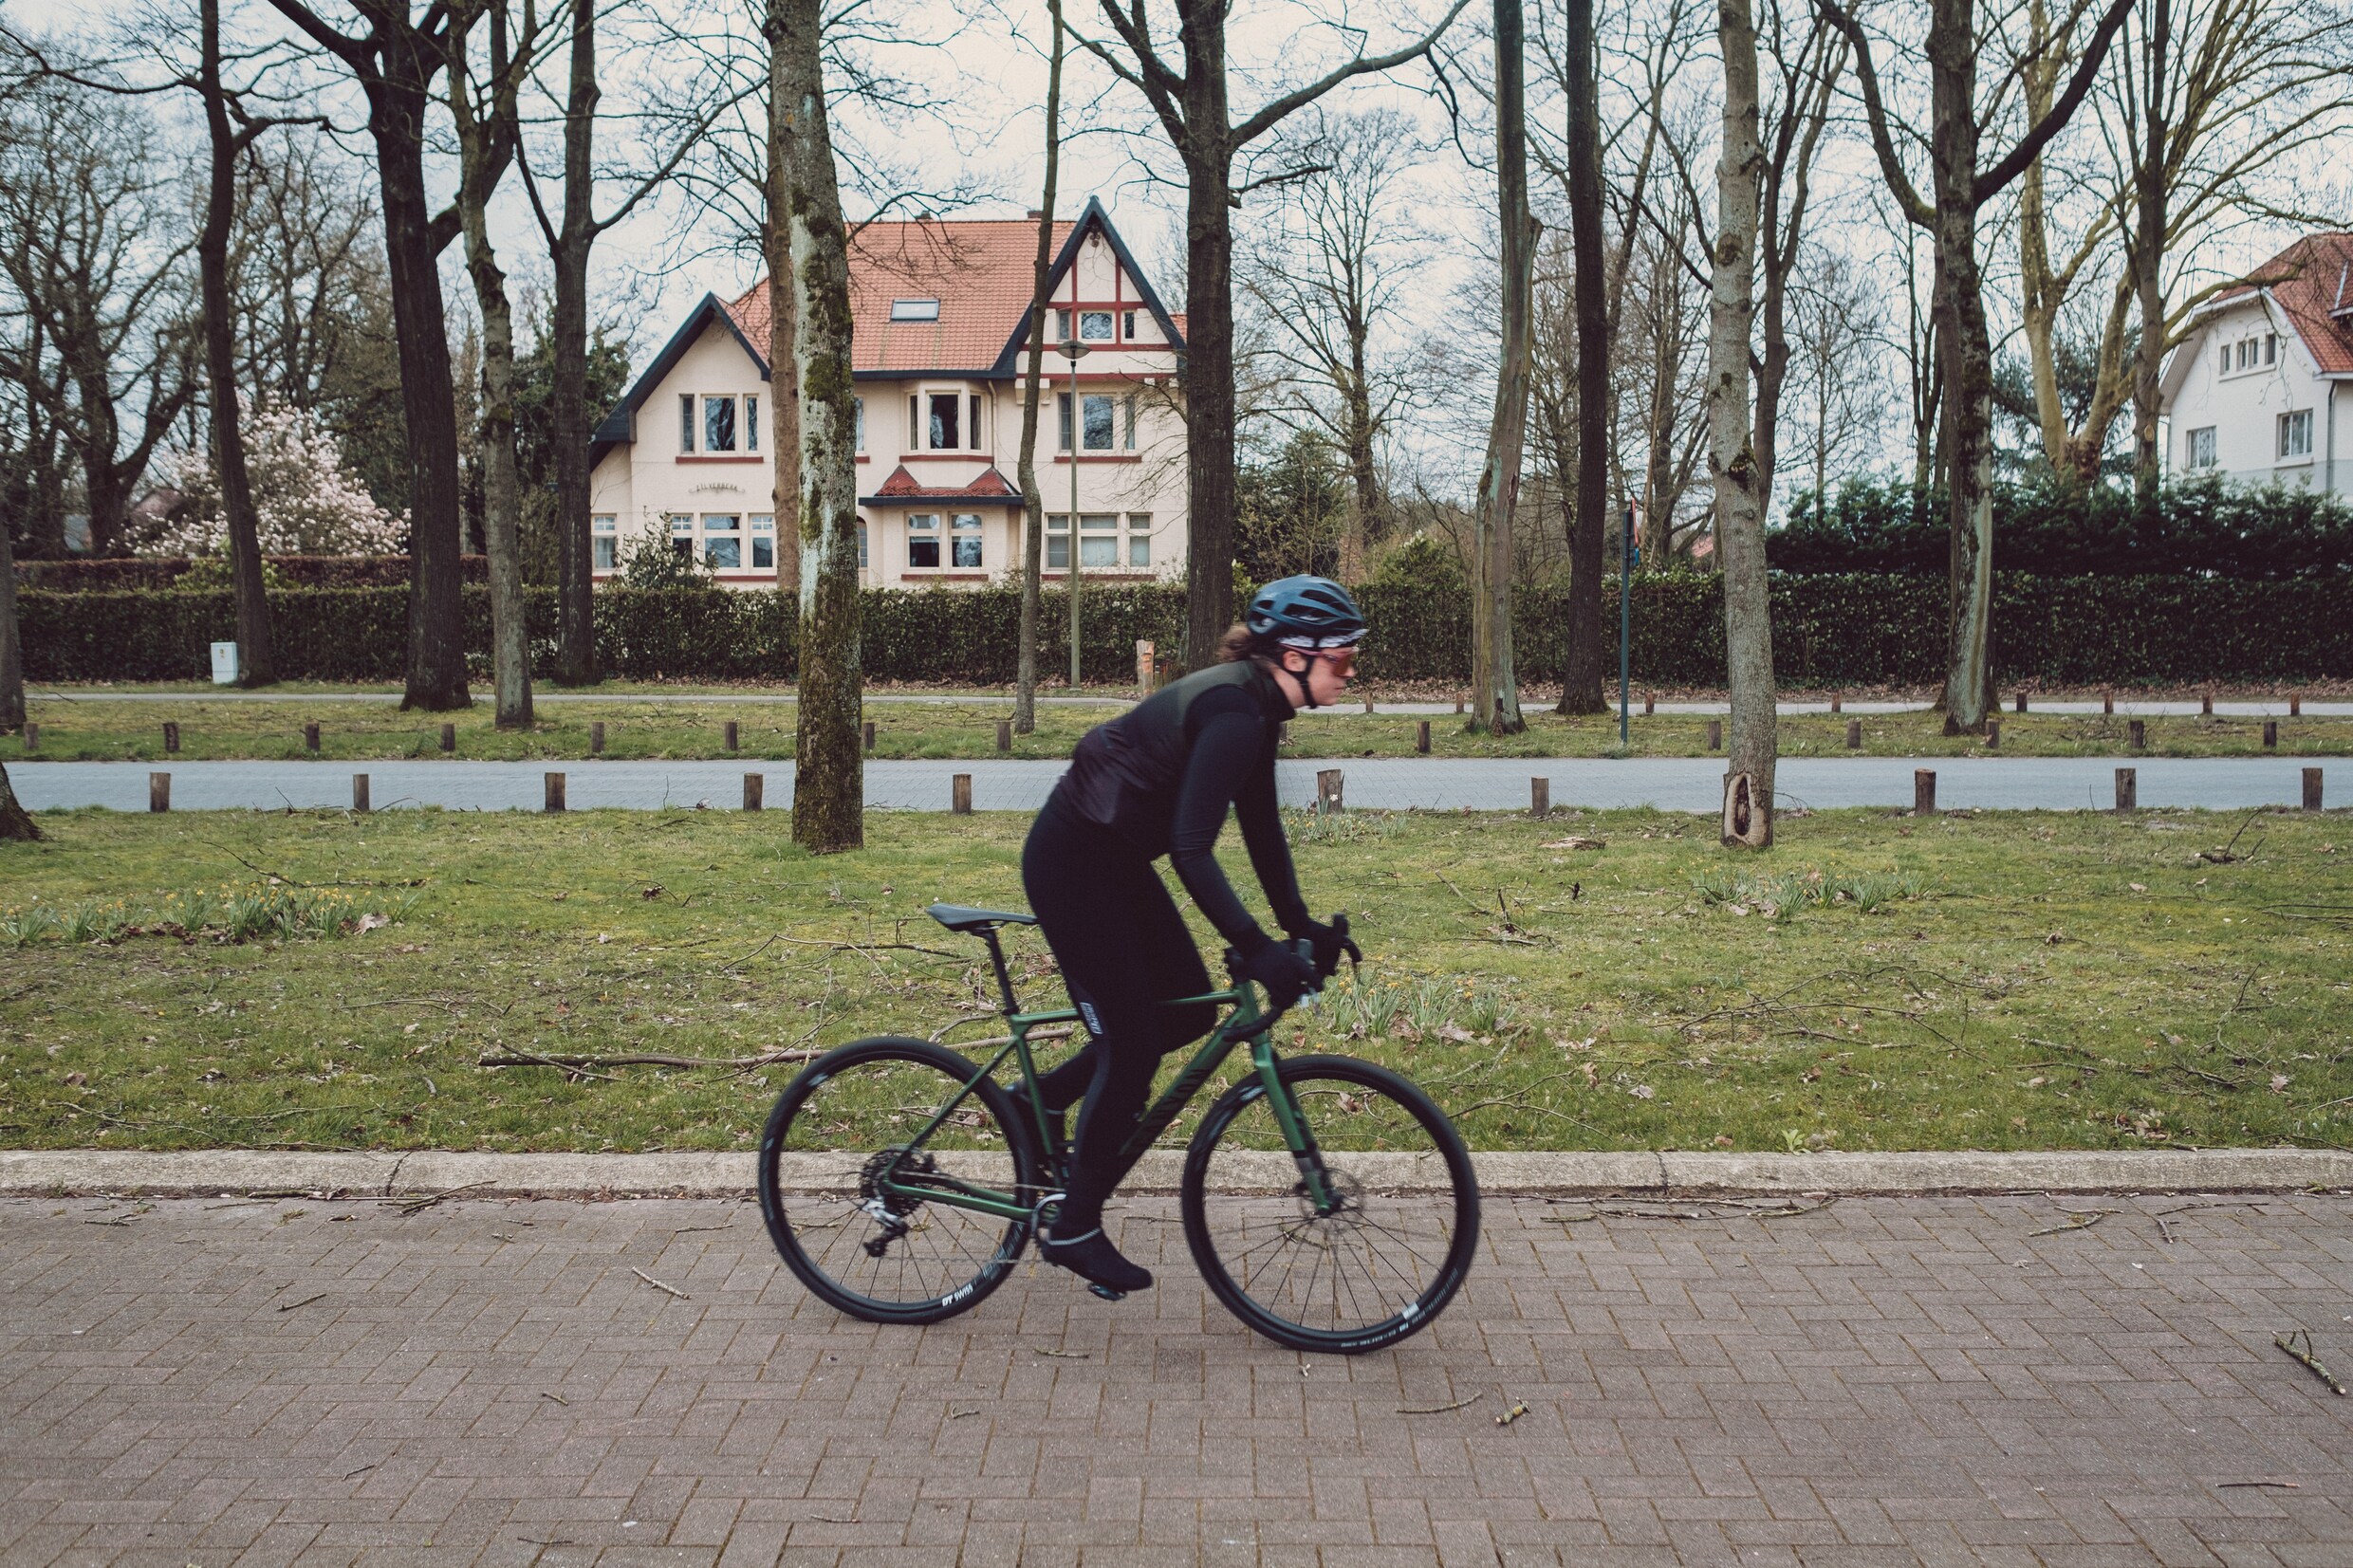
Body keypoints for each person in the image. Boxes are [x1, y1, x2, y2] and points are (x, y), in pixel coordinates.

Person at [1021, 575, 1367, 1295]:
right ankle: (1075, 1226)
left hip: (1110, 858)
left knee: (1189, 1007)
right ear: (1295, 655)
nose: (1351, 670)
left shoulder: (1258, 708)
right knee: (1136, 1040)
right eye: (1341, 657)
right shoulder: (1237, 710)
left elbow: (1262, 828)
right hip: (1074, 863)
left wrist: (1297, 925)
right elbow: (1191, 847)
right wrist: (1257, 944)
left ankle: (1040, 1101)